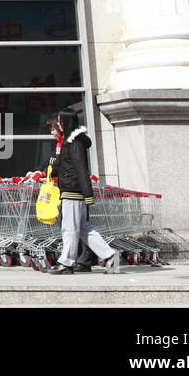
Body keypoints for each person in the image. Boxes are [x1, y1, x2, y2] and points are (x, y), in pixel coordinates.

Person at [37, 111, 120, 275]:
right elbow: (64, 166)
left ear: (66, 123)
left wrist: (88, 194)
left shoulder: (74, 143)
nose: (58, 126)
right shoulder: (70, 143)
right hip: (72, 189)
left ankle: (66, 262)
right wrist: (47, 171)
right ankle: (109, 255)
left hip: (73, 191)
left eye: (60, 123)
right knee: (83, 228)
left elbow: (81, 168)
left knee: (69, 228)